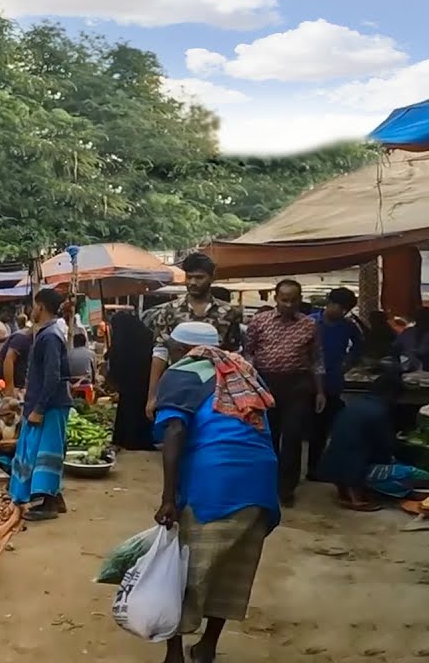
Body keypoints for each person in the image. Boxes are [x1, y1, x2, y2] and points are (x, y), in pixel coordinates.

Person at [152, 321, 279, 663]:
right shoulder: (244, 371)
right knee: (231, 571)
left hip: (215, 486)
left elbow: (174, 432)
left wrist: (168, 498)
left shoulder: (181, 374)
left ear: (181, 350)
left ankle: (174, 655)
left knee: (182, 573)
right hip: (260, 483)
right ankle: (206, 646)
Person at [242, 279, 323, 506]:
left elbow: (317, 360)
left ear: (300, 299)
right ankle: (265, 483)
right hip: (265, 383)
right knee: (267, 434)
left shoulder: (309, 325)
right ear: (275, 298)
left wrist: (319, 391)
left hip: (298, 384)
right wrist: (250, 383)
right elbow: (248, 353)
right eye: (284, 299)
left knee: (293, 436)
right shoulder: (259, 321)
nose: (288, 304)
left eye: (293, 300)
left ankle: (286, 488)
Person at [145, 252, 244, 418]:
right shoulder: (170, 310)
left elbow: (234, 356)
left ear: (212, 277)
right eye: (189, 277)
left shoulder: (229, 313)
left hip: (214, 387)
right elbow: (160, 354)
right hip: (177, 383)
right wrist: (152, 396)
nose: (192, 282)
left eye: (199, 277)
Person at [317, 368, 429, 510]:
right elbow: (386, 447)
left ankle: (345, 491)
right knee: (409, 473)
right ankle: (356, 498)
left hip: (331, 466)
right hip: (353, 468)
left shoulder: (355, 405)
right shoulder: (379, 411)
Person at [10, 288, 73, 521]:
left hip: (50, 406)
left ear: (41, 307)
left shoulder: (50, 336)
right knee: (40, 452)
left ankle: (47, 504)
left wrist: (39, 408)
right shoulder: (49, 332)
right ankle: (54, 498)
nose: (31, 310)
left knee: (44, 454)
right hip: (44, 403)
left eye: (33, 305)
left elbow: (52, 376)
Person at [309, 287, 364, 479]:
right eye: (339, 307)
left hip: (332, 382)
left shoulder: (348, 326)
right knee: (301, 427)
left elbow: (359, 347)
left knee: (322, 428)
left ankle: (315, 469)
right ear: (329, 303)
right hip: (308, 382)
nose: (341, 312)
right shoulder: (311, 322)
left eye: (345, 310)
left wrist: (347, 363)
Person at [107, 311, 154, 450]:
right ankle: (142, 441)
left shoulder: (121, 338)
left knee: (127, 410)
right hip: (146, 380)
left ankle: (126, 439)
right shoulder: (146, 336)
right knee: (141, 411)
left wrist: (115, 380)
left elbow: (117, 361)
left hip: (129, 382)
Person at [0, 323, 33, 393]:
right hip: (9, 384)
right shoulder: (22, 337)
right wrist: (10, 388)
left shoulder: (33, 339)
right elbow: (9, 360)